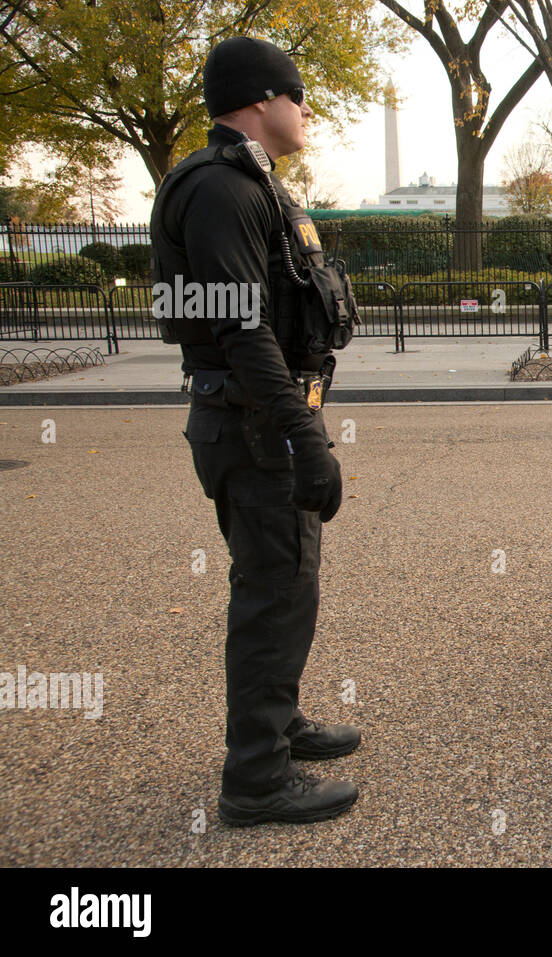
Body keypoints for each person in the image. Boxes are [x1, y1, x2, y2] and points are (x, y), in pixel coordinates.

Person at [150, 36, 359, 824]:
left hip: (257, 420)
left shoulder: (251, 185)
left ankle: (279, 724)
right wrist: (306, 437)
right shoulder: (223, 190)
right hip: (256, 425)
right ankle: (256, 780)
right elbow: (242, 330)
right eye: (296, 94)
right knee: (273, 594)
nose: (306, 109)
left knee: (287, 587)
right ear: (260, 100)